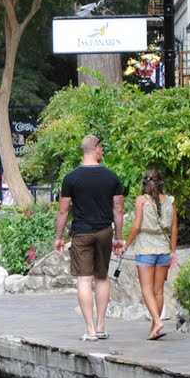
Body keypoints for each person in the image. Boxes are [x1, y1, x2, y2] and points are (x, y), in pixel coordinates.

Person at [52, 135, 125, 341]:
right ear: (96, 149)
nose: (102, 151)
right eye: (101, 148)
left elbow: (63, 211)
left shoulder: (71, 178)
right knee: (102, 277)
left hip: (81, 233)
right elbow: (118, 209)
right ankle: (101, 326)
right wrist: (119, 237)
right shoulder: (112, 177)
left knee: (84, 279)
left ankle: (91, 330)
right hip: (104, 231)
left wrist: (58, 237)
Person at [124, 168, 177, 340]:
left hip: (145, 248)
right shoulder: (170, 201)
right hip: (163, 248)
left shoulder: (142, 200)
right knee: (158, 291)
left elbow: (137, 226)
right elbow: (174, 229)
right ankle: (155, 328)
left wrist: (126, 243)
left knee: (146, 289)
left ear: (145, 183)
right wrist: (173, 250)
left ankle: (157, 321)